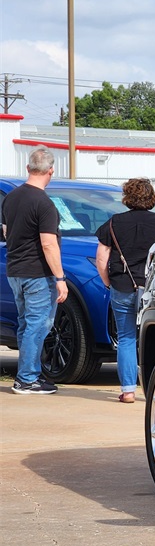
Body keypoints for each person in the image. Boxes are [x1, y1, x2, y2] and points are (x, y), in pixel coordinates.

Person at [95, 178, 155, 404]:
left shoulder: (113, 223)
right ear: (152, 197)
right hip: (153, 289)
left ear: (127, 197)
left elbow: (101, 259)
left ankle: (128, 391)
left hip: (123, 286)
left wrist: (108, 283)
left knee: (126, 337)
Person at [1, 147, 68, 395]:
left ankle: (28, 374)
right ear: (51, 171)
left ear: (28, 168)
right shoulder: (44, 203)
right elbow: (48, 243)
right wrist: (60, 278)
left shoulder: (11, 198)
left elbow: (7, 231)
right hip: (37, 273)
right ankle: (27, 378)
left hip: (15, 270)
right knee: (38, 325)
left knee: (25, 324)